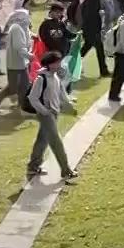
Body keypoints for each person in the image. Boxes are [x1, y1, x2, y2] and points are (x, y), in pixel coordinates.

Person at [26, 50, 79, 181]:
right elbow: (33, 98)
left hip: (54, 113)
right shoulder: (41, 78)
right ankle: (65, 170)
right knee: (56, 142)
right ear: (49, 64)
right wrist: (44, 111)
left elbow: (62, 94)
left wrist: (70, 106)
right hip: (47, 115)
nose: (59, 64)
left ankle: (33, 166)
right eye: (56, 62)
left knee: (42, 141)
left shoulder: (55, 77)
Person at [3, 6, 34, 112]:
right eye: (26, 17)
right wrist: (30, 56)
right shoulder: (16, 29)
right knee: (16, 86)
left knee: (22, 85)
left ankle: (20, 105)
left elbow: (28, 37)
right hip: (16, 62)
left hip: (21, 62)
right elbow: (19, 47)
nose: (29, 19)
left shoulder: (23, 28)